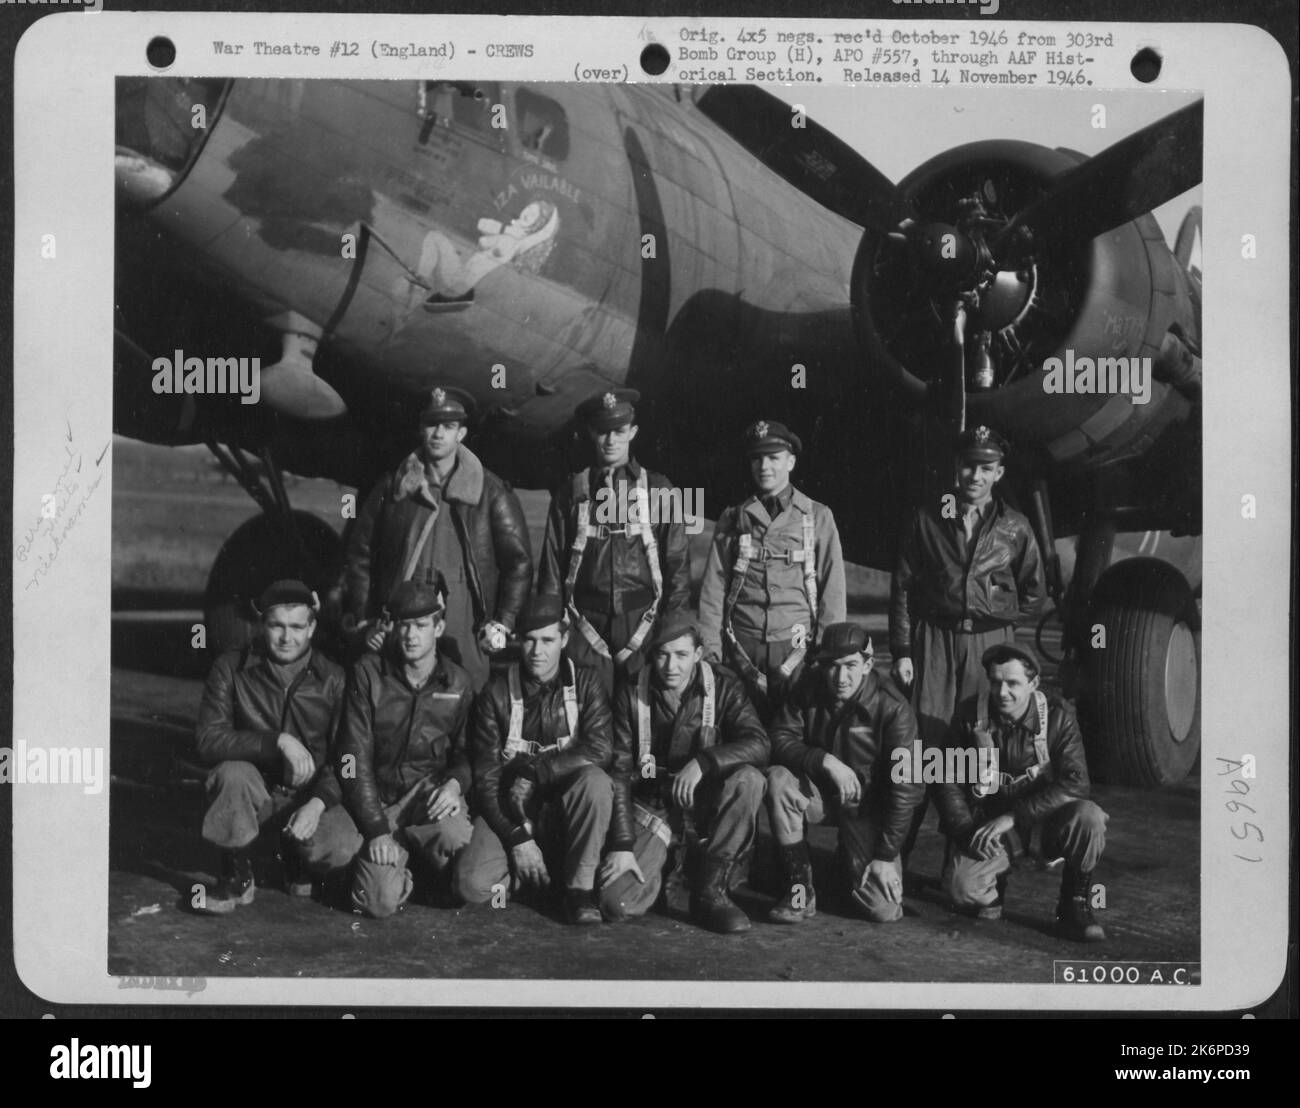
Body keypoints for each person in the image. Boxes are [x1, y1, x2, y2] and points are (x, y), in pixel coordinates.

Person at [344, 385, 533, 688]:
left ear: (461, 433)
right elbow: (360, 553)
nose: (438, 433)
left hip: (465, 617)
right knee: (399, 695)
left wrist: (503, 622)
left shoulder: (490, 491)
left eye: (448, 426)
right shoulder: (393, 488)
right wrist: (366, 618)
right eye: (432, 425)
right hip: (405, 614)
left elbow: (519, 561)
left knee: (467, 694)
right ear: (421, 429)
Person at [601, 613, 769, 933]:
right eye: (662, 655)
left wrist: (705, 762)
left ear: (698, 654)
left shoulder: (725, 684)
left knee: (750, 779)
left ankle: (710, 890)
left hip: (707, 804)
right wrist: (623, 844)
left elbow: (759, 743)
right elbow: (619, 771)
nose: (670, 666)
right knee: (617, 903)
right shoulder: (631, 690)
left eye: (681, 655)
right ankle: (670, 864)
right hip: (656, 805)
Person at [193, 579, 354, 914]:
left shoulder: (334, 678)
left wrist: (319, 804)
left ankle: (299, 856)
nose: (286, 637)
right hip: (259, 792)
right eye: (276, 625)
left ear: (311, 628)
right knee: (231, 774)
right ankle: (236, 874)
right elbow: (208, 740)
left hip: (308, 796)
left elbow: (347, 757)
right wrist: (276, 741)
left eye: (296, 627)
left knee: (340, 847)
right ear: (261, 624)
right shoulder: (231, 668)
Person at [454, 595, 615, 924]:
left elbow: (601, 748)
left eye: (547, 640)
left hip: (563, 811)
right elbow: (486, 778)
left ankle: (579, 892)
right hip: (510, 812)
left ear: (564, 639)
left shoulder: (586, 684)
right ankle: (526, 875)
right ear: (518, 640)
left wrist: (538, 771)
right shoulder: (496, 693)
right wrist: (517, 840)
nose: (538, 651)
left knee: (596, 781)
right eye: (529, 640)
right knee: (470, 886)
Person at [933, 643, 1108, 942]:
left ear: (1033, 683)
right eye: (996, 682)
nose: (1002, 693)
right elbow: (946, 778)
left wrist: (1014, 816)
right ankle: (993, 889)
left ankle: (1075, 904)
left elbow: (1077, 783)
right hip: (991, 827)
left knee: (1090, 817)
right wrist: (966, 833)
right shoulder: (968, 714)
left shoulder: (1058, 717)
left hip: (1045, 823)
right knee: (961, 889)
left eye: (1013, 683)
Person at [889, 424, 1044, 750]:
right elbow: (903, 586)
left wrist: (1000, 622)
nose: (976, 476)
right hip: (935, 639)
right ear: (957, 467)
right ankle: (923, 800)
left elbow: (1033, 589)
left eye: (986, 468)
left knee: (983, 729)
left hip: (990, 641)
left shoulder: (1015, 526)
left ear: (999, 473)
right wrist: (903, 651)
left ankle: (977, 800)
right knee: (928, 731)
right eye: (969, 465)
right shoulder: (925, 519)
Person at [764, 623, 924, 924]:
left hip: (866, 808)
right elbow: (779, 738)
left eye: (851, 666)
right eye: (833, 667)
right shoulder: (808, 687)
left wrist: (886, 856)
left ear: (868, 665)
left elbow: (908, 789)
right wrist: (824, 760)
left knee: (883, 910)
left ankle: (845, 862)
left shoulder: (894, 708)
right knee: (778, 780)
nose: (841, 677)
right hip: (821, 793)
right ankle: (800, 888)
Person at [336, 579, 476, 919]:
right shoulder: (368, 673)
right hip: (378, 797)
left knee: (454, 833)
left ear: (439, 627)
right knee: (378, 902)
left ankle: (416, 860)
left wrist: (455, 784)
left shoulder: (458, 682)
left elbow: (470, 753)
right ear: (392, 628)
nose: (411, 635)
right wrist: (376, 829)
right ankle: (398, 867)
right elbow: (353, 756)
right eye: (403, 625)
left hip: (425, 796)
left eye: (421, 625)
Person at [538, 388, 691, 693]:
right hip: (585, 626)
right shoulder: (571, 491)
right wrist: (552, 625)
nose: (611, 441)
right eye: (603, 431)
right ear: (592, 433)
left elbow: (677, 565)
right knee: (589, 713)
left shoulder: (659, 489)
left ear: (632, 432)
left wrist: (672, 627)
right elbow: (553, 566)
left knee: (640, 717)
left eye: (619, 431)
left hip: (642, 624)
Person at [698, 419, 846, 720]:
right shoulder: (732, 518)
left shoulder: (817, 517)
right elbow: (714, 588)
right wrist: (713, 652)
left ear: (791, 461)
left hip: (796, 650)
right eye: (757, 458)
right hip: (742, 650)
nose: (764, 466)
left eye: (773, 458)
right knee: (743, 736)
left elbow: (833, 588)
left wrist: (827, 650)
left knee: (795, 736)